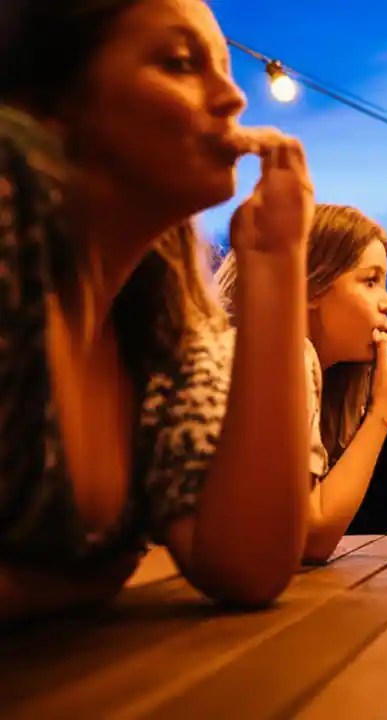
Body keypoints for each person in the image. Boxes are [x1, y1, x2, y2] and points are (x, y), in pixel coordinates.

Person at [0, 0, 315, 620]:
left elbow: (247, 565)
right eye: (179, 63)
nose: (233, 98)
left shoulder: (159, 327)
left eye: (225, 67)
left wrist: (277, 260)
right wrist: (59, 590)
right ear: (54, 105)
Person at [217, 204, 387, 563]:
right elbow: (308, 539)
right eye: (370, 280)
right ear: (309, 286)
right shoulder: (283, 354)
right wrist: (383, 409)